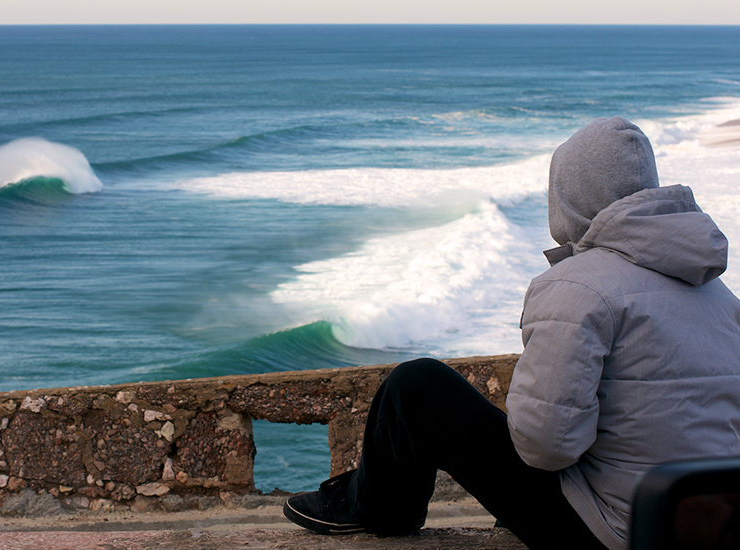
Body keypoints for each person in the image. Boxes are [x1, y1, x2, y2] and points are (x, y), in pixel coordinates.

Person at [282, 116, 740, 550]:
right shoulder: (718, 294)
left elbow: (547, 447)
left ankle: (372, 507)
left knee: (417, 386)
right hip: (706, 525)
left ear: (569, 199)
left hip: (617, 533)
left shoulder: (578, 285)